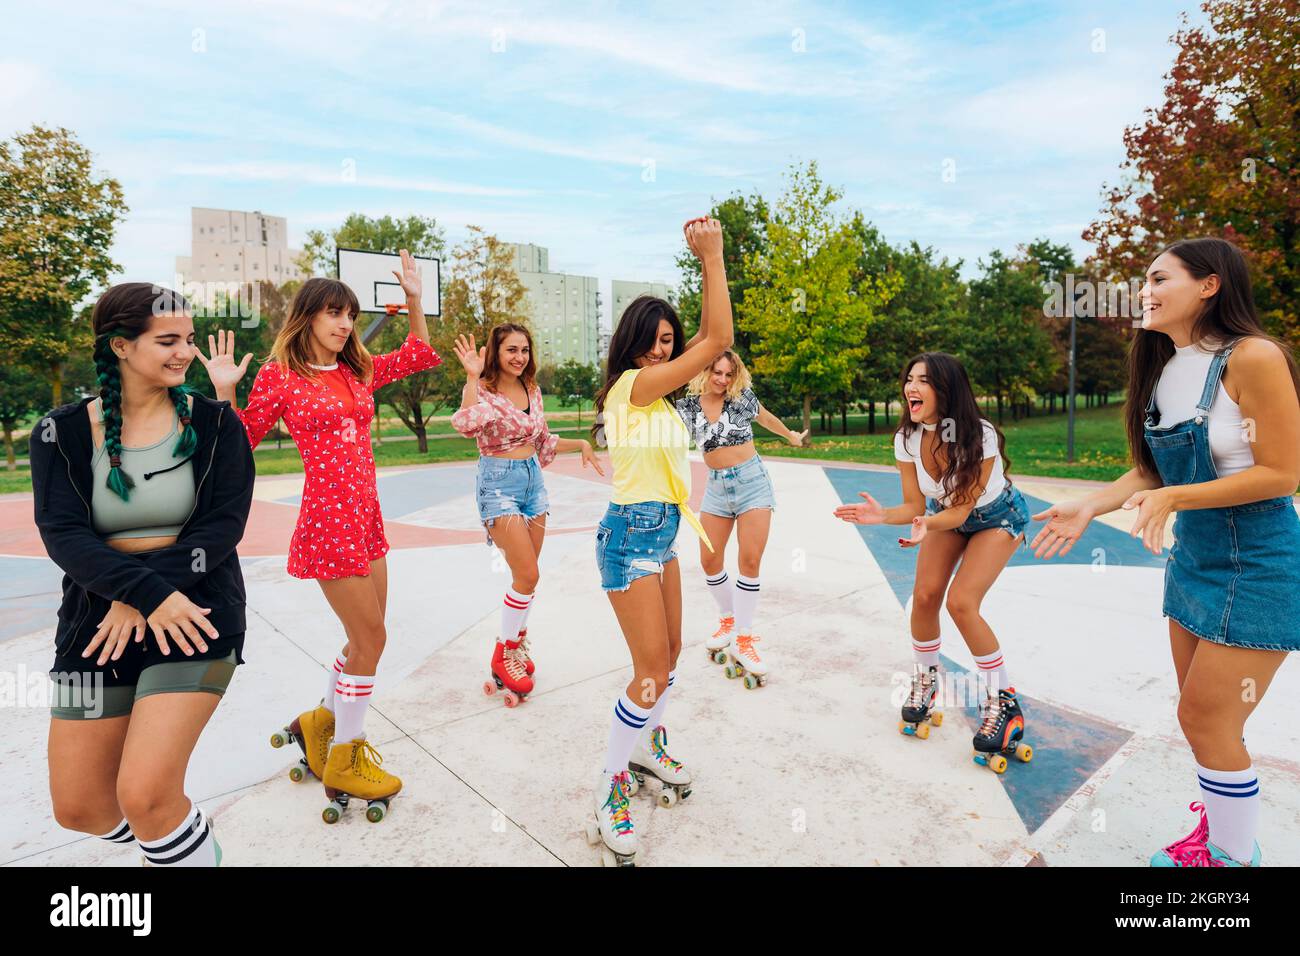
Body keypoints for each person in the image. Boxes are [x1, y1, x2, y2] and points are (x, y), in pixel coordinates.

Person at [1031, 238, 1300, 866]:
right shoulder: (1164, 365)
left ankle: (1233, 859)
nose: (1143, 291)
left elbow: (1285, 473)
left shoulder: (1254, 357)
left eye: (1158, 278)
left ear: (1209, 285)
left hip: (1257, 565)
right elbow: (1150, 470)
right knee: (1203, 720)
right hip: (1194, 564)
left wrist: (1175, 498)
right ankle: (1222, 829)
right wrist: (1092, 505)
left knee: (1208, 720)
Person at [198, 251, 441, 823]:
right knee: (372, 640)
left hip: (366, 517)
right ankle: (347, 758)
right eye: (334, 313)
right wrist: (224, 391)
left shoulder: (356, 369)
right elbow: (239, 443)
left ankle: (319, 724)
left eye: (350, 316)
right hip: (329, 524)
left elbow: (420, 353)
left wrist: (413, 300)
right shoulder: (281, 376)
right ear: (306, 316)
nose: (344, 325)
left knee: (367, 638)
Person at [34, 282, 255, 865]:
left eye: (189, 338)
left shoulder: (216, 423)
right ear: (121, 347)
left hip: (196, 614)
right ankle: (180, 842)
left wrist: (149, 597)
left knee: (146, 795)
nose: (186, 351)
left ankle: (170, 835)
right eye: (168, 340)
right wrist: (140, 595)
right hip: (95, 621)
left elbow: (221, 530)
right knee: (80, 808)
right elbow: (64, 535)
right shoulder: (59, 432)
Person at [583, 216, 733, 866]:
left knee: (670, 657)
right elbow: (719, 339)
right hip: (626, 541)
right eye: (651, 341)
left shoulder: (666, 401)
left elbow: (708, 339)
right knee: (649, 670)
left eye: (668, 342)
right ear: (632, 346)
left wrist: (703, 290)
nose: (660, 351)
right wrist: (712, 258)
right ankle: (610, 783)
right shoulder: (633, 389)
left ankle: (646, 743)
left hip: (663, 539)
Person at [834, 352, 1033, 767]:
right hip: (945, 515)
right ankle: (926, 681)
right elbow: (912, 504)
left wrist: (930, 522)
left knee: (962, 602)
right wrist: (883, 516)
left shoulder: (980, 435)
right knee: (924, 596)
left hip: (997, 517)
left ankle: (1004, 701)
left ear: (946, 389)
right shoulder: (906, 439)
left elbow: (961, 512)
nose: (911, 387)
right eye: (908, 379)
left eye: (922, 380)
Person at [450, 323, 603, 704]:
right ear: (496, 353)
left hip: (533, 484)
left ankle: (515, 643)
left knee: (528, 577)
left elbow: (542, 440)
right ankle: (503, 653)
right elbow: (466, 424)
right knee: (528, 574)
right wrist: (471, 377)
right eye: (510, 350)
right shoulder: (483, 391)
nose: (519, 357)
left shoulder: (531, 389)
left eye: (524, 350)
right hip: (499, 485)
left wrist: (580, 442)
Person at [675, 349, 807, 685]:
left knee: (749, 560)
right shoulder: (687, 406)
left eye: (728, 374)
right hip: (717, 488)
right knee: (709, 559)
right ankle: (729, 619)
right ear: (704, 371)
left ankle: (745, 638)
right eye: (716, 372)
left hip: (752, 483)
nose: (722, 380)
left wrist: (790, 435)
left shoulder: (741, 399)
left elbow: (765, 418)